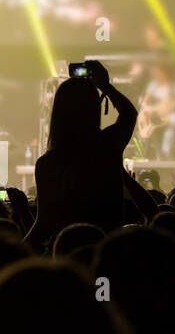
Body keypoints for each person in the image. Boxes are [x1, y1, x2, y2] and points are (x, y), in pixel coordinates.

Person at [26, 60, 138, 248]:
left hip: (65, 254)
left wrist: (13, 255)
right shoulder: (106, 147)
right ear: (94, 110)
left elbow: (43, 224)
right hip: (106, 251)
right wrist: (105, 86)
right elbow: (128, 114)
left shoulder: (48, 164)